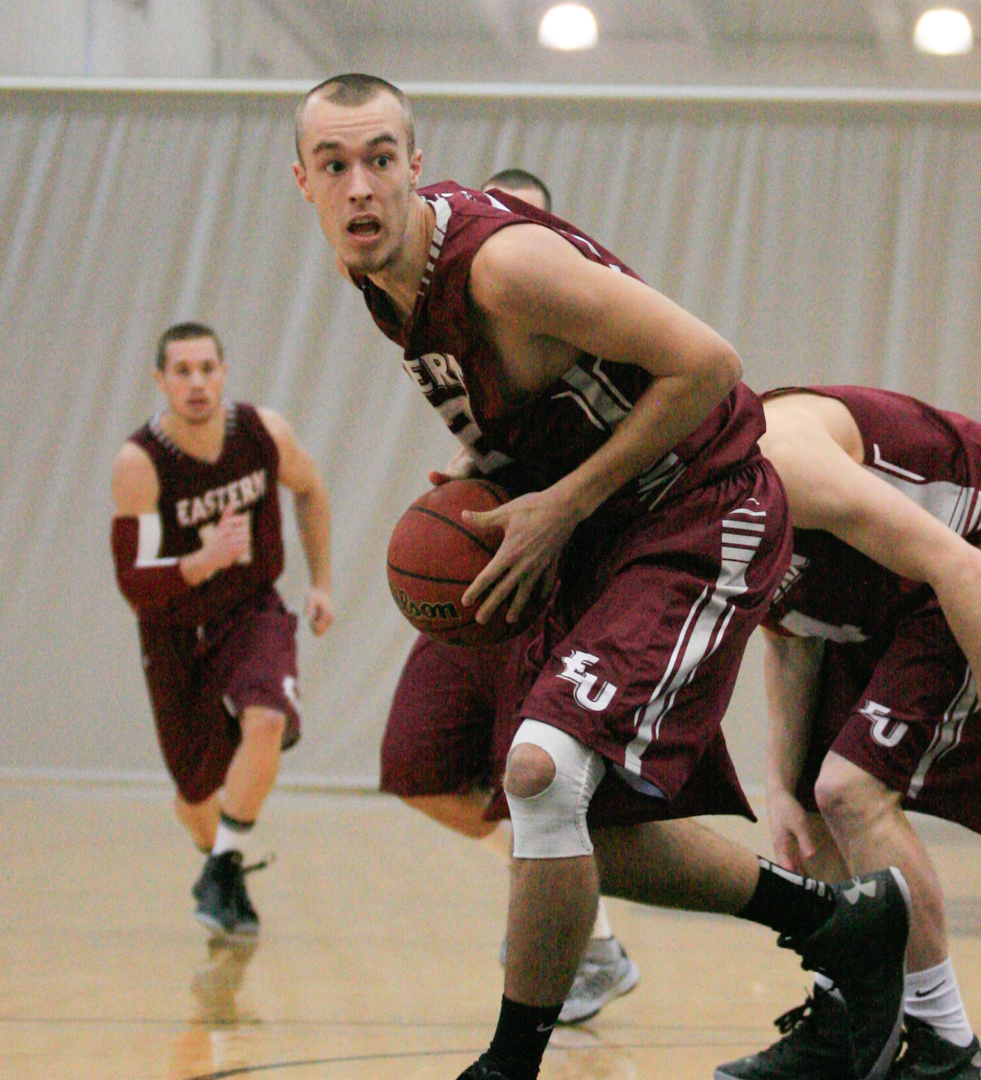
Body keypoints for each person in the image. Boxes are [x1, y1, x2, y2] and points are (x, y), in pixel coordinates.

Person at [293, 74, 910, 1080]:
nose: (359, 187)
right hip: (596, 523)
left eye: (377, 160)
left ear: (415, 162)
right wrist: (494, 477)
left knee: (540, 773)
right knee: (495, 788)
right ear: (303, 182)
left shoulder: (501, 265)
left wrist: (563, 502)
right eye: (334, 165)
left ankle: (509, 1063)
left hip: (700, 510)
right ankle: (841, 925)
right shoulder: (377, 275)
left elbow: (711, 365)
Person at [723, 386, 981, 1080]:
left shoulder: (776, 458)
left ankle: (949, 1050)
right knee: (810, 804)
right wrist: (777, 788)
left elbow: (959, 566)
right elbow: (791, 639)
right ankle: (843, 1025)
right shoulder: (699, 516)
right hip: (898, 585)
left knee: (850, 789)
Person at [378, 170, 642, 1025]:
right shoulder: (452, 333)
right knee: (415, 768)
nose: (498, 249)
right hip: (478, 588)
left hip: (556, 585)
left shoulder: (589, 333)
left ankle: (580, 944)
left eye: (519, 231)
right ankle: (585, 924)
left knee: (536, 785)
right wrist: (457, 491)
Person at [110, 321, 336, 937]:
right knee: (194, 795)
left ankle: (224, 863)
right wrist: (200, 560)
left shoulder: (264, 435)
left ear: (224, 372)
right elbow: (135, 583)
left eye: (207, 368)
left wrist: (321, 582)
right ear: (160, 381)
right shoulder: (142, 464)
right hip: (175, 632)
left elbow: (311, 490)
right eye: (182, 371)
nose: (197, 383)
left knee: (265, 718)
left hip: (251, 610)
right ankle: (223, 873)